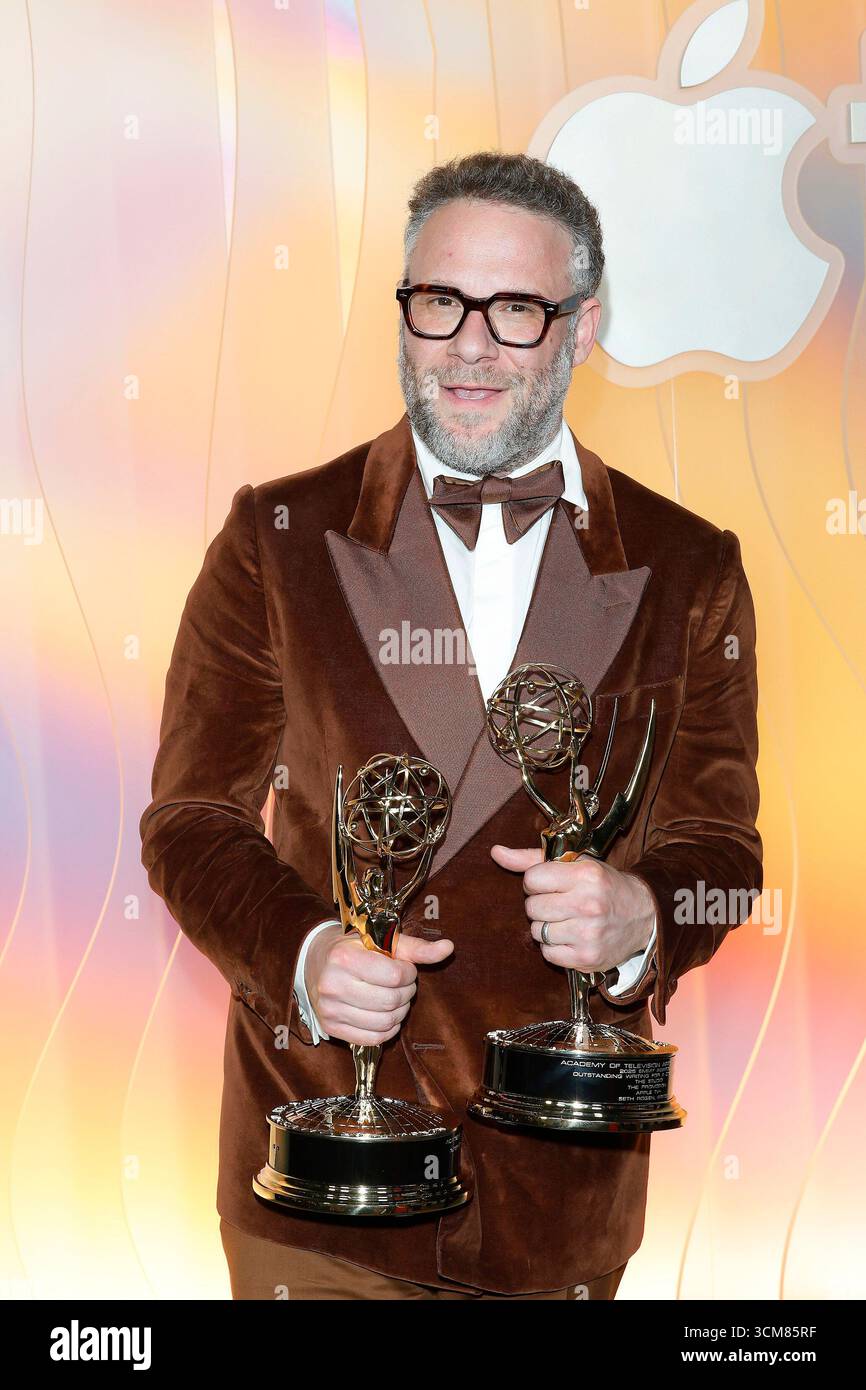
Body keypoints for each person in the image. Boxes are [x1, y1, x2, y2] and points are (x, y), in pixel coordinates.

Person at [140, 151, 762, 1301]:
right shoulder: (276, 536)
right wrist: (307, 955)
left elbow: (720, 851)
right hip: (321, 1185)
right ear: (404, 312)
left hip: (555, 1199)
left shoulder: (689, 568)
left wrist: (644, 918)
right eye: (439, 302)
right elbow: (189, 819)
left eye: (515, 310)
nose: (468, 345)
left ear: (581, 330)